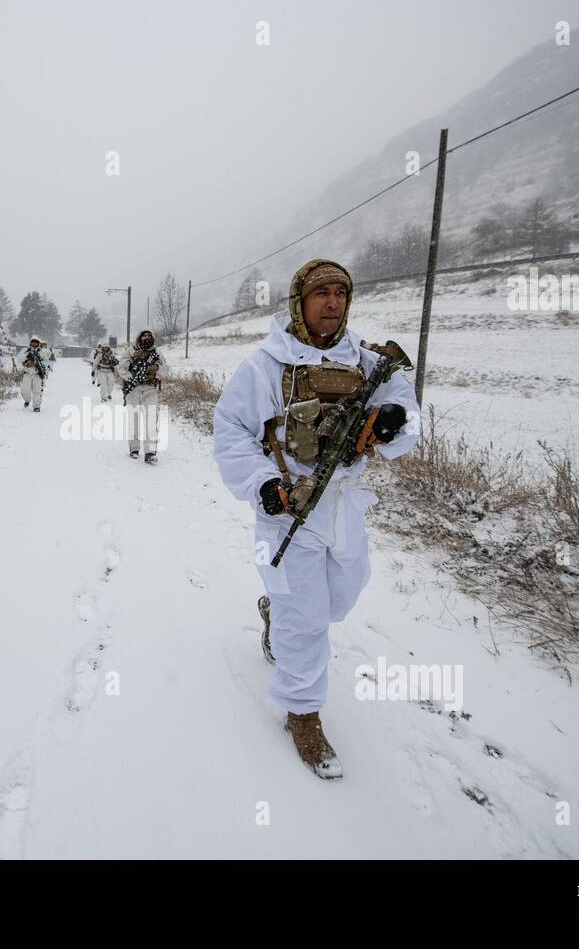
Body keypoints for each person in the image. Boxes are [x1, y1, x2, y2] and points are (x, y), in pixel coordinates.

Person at [212, 259, 417, 780]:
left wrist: (393, 424)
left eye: (341, 294)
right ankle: (303, 711)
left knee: (340, 597)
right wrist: (264, 485)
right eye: (321, 292)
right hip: (290, 507)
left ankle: (275, 617)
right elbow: (231, 430)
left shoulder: (372, 365)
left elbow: (408, 419)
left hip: (346, 504)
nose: (332, 302)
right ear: (299, 302)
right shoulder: (266, 366)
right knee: (305, 614)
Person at [115, 329, 167, 464]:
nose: (147, 337)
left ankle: (150, 452)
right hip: (133, 389)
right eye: (144, 335)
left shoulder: (156, 353)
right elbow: (121, 369)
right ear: (139, 337)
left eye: (149, 335)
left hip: (150, 389)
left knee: (151, 420)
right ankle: (134, 449)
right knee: (134, 419)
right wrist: (133, 378)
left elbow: (165, 369)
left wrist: (155, 371)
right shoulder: (131, 351)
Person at [15, 336, 48, 411]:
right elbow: (19, 358)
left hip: (37, 375)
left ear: (38, 343)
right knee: (25, 390)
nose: (34, 344)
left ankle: (36, 406)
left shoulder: (41, 352)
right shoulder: (25, 350)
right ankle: (27, 400)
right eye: (33, 342)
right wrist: (27, 356)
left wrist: (37, 363)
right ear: (30, 343)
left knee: (37, 391)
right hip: (27, 374)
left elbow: (46, 363)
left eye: (36, 342)